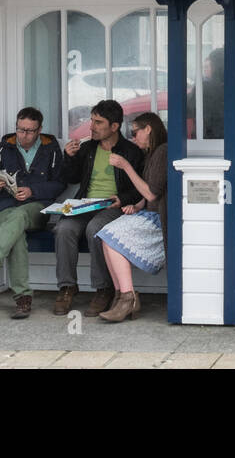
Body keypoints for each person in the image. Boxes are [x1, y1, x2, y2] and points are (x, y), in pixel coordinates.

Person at [0, 108, 66, 319]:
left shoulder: (51, 149)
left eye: (30, 131)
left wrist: (33, 191)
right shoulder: (2, 149)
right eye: (21, 130)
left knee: (19, 217)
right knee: (16, 233)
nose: (24, 135)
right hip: (4, 209)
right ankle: (23, 299)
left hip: (36, 208)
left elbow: (60, 184)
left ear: (39, 130)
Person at [54, 99, 145, 317]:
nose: (91, 127)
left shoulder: (131, 152)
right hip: (85, 204)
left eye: (98, 122)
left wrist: (121, 199)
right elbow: (72, 178)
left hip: (113, 206)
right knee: (63, 229)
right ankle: (67, 287)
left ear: (114, 126)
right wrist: (68, 157)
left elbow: (140, 188)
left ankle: (103, 288)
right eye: (91, 121)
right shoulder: (87, 148)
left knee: (96, 228)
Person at [93, 112, 169, 323]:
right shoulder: (152, 153)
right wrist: (136, 205)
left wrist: (126, 166)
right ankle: (122, 297)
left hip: (160, 220)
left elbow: (152, 193)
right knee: (104, 236)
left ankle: (128, 298)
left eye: (135, 132)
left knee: (108, 236)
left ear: (149, 129)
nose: (133, 138)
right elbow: (150, 195)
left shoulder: (163, 151)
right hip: (148, 213)